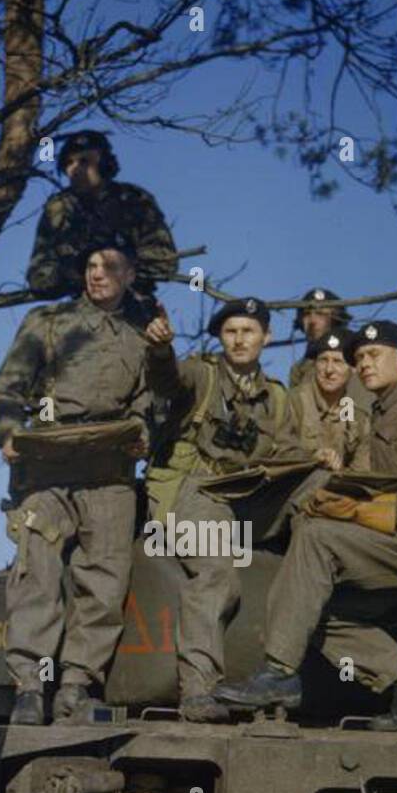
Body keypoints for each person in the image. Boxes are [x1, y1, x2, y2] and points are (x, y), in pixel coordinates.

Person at [215, 320, 397, 730]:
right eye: (359, 359)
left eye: (374, 355)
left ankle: (279, 673)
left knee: (319, 535)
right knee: (320, 610)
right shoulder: (382, 414)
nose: (364, 365)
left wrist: (360, 512)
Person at [0, 245, 151, 725]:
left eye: (110, 267)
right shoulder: (49, 322)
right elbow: (5, 390)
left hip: (109, 468)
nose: (98, 274)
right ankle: (29, 688)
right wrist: (8, 434)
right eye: (91, 266)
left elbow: (149, 401)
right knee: (36, 573)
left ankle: (76, 686)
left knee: (103, 580)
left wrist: (143, 433)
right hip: (48, 463)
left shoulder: (141, 334)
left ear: (130, 274)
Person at [142, 297, 301, 722]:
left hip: (247, 495)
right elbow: (166, 381)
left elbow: (288, 452)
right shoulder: (202, 374)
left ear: (266, 337)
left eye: (249, 331)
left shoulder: (279, 399)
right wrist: (159, 349)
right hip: (195, 487)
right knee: (216, 572)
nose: (239, 339)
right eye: (231, 331)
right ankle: (199, 688)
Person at [26, 131, 178, 301]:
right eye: (69, 163)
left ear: (104, 164)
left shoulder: (133, 200)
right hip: (81, 307)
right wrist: (76, 270)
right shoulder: (58, 209)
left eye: (85, 161)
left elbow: (165, 261)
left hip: (134, 302)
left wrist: (117, 265)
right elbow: (38, 277)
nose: (75, 169)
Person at [290, 330, 371, 471]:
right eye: (323, 360)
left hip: (338, 489)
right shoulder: (293, 403)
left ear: (353, 369)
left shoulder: (355, 416)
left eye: (338, 362)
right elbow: (278, 454)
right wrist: (311, 459)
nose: (329, 369)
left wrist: (341, 470)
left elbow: (362, 472)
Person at [288, 287, 351, 388]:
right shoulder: (299, 370)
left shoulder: (352, 358)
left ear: (335, 319)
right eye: (307, 314)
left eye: (320, 313)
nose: (312, 320)